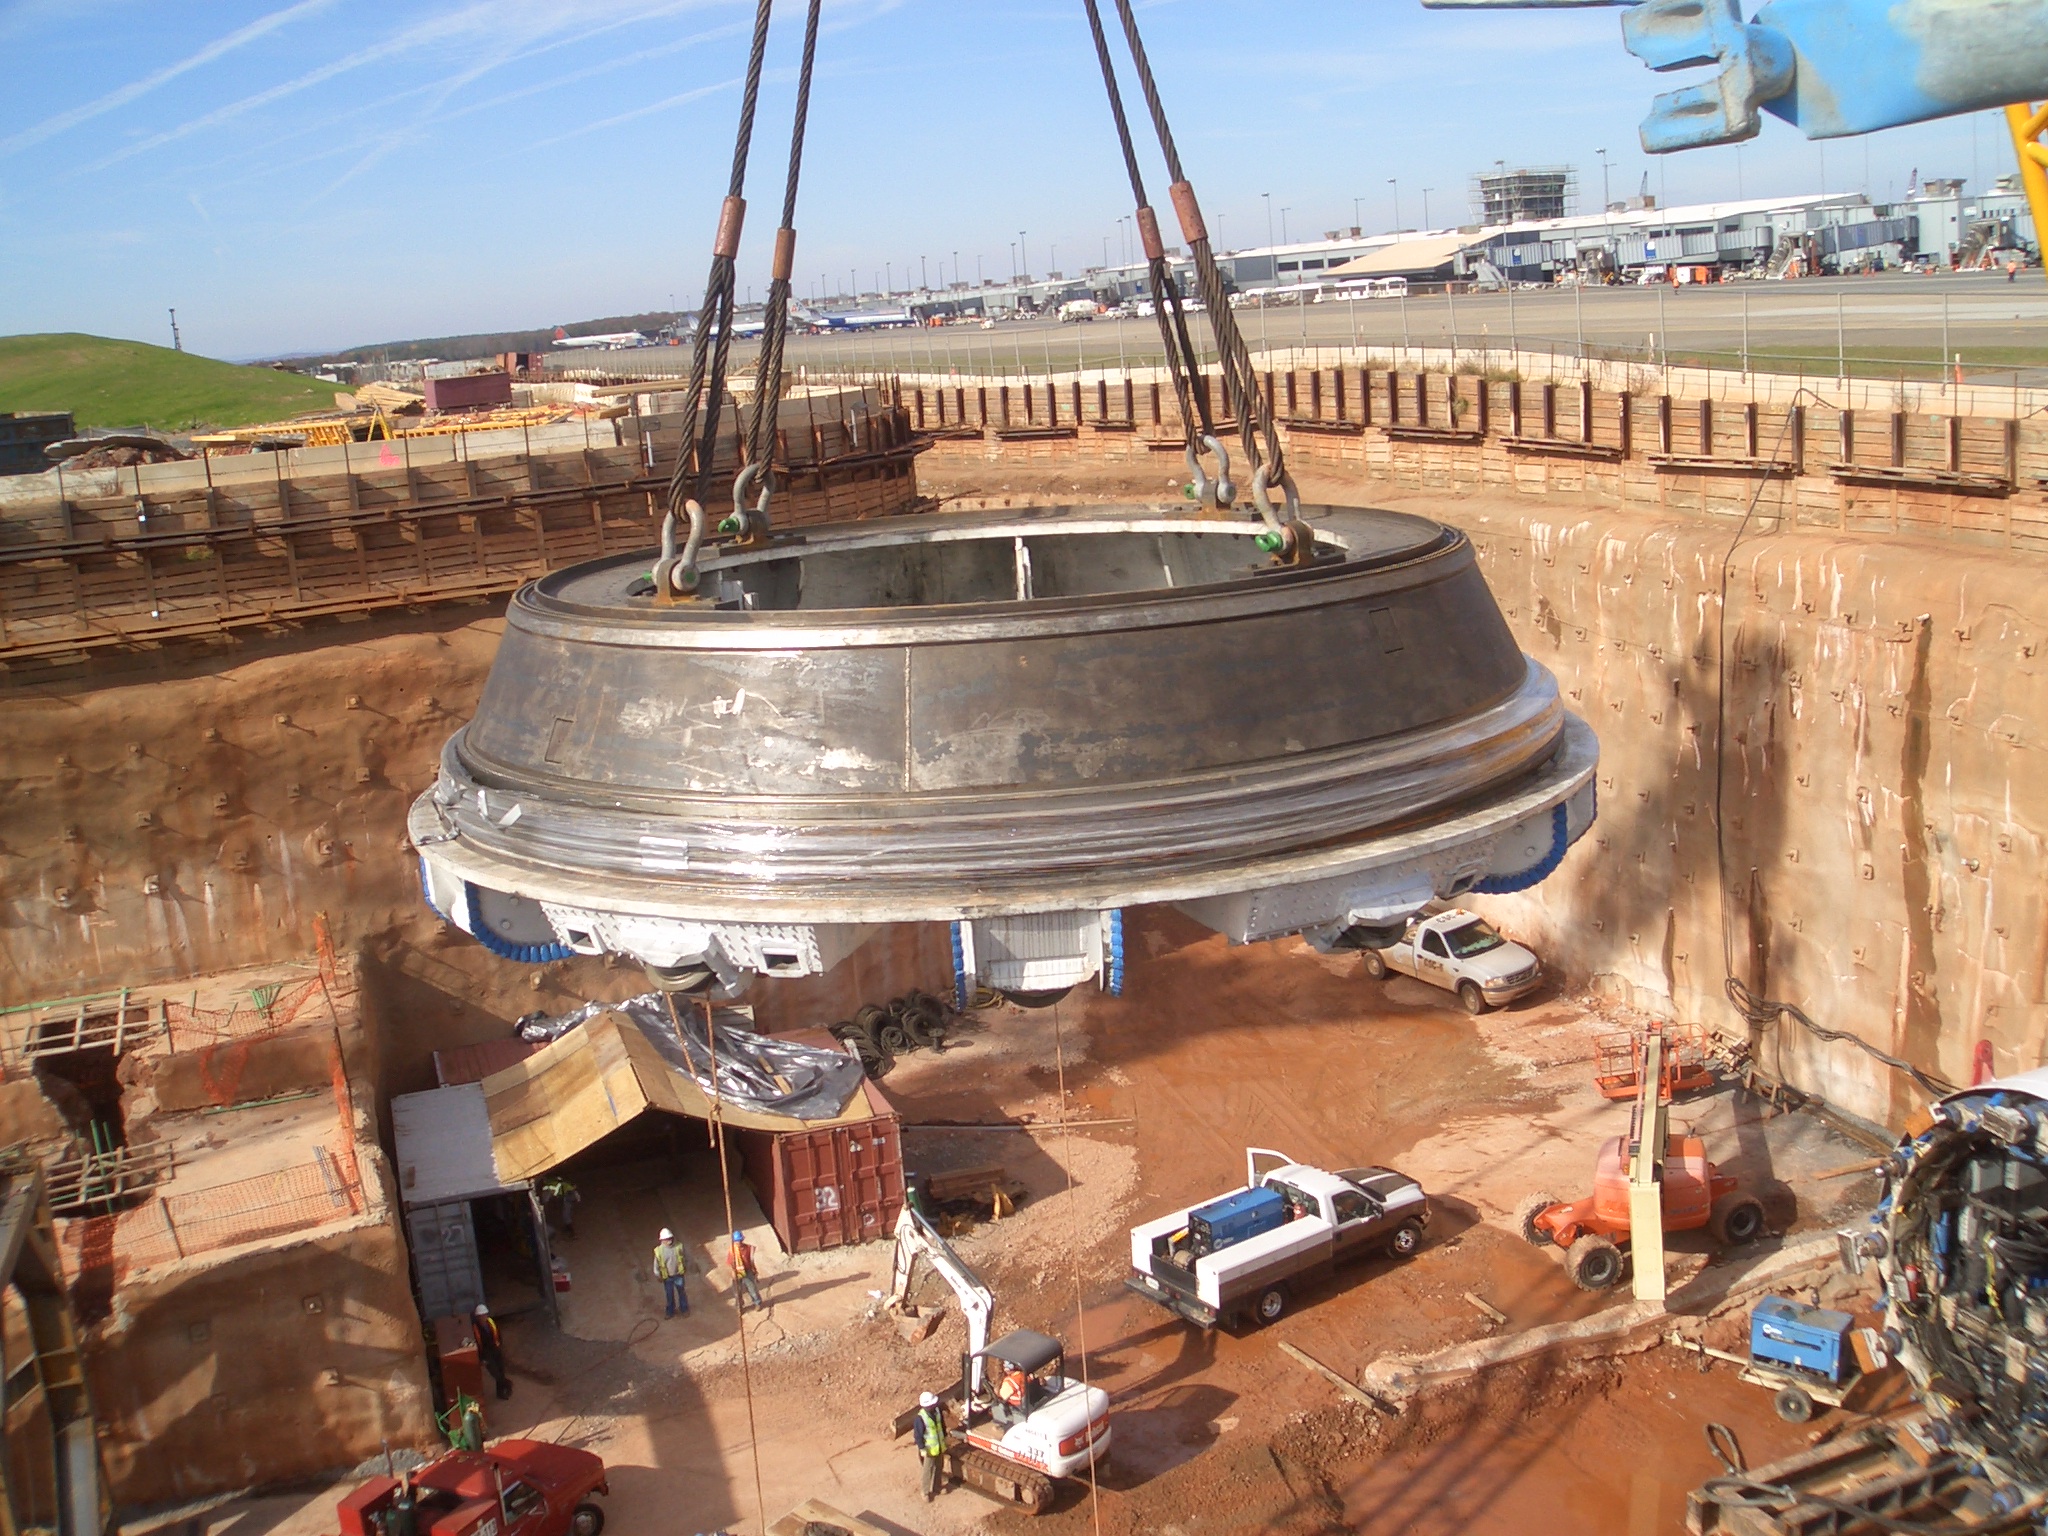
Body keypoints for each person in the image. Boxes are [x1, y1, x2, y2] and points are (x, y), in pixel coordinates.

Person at [913, 1390, 948, 1502]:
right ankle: (925, 1491)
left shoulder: (937, 1411)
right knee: (927, 1471)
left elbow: (942, 1426)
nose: (934, 1405)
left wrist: (945, 1437)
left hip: (939, 1446)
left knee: (939, 1467)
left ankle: (937, 1487)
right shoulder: (920, 1418)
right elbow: (918, 1435)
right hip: (929, 1449)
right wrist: (922, 1448)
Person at [472, 1302, 511, 1400]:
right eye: (481, 1316)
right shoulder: (475, 1329)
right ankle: (507, 1384)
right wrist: (481, 1359)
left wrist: (500, 1347)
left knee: (501, 1371)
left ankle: (501, 1393)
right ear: (477, 1317)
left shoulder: (491, 1323)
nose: (483, 1318)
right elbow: (477, 1345)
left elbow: (498, 1335)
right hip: (487, 1355)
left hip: (496, 1350)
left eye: (484, 1315)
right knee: (496, 1374)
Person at [653, 1227, 688, 1318]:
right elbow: (656, 1265)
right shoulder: (659, 1251)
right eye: (666, 1239)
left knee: (681, 1292)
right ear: (662, 1240)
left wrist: (685, 1267)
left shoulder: (678, 1247)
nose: (669, 1241)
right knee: (669, 1294)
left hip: (678, 1275)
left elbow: (685, 1257)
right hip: (667, 1277)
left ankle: (684, 1309)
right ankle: (670, 1312)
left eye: (670, 1238)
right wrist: (658, 1275)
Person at [728, 1229, 765, 1312]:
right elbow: (730, 1262)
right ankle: (739, 1306)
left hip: (747, 1271)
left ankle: (757, 1303)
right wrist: (733, 1272)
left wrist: (754, 1271)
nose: (739, 1243)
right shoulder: (732, 1250)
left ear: (742, 1239)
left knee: (752, 1289)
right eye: (737, 1241)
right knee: (737, 1291)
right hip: (737, 1272)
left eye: (740, 1240)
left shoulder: (748, 1248)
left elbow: (751, 1260)